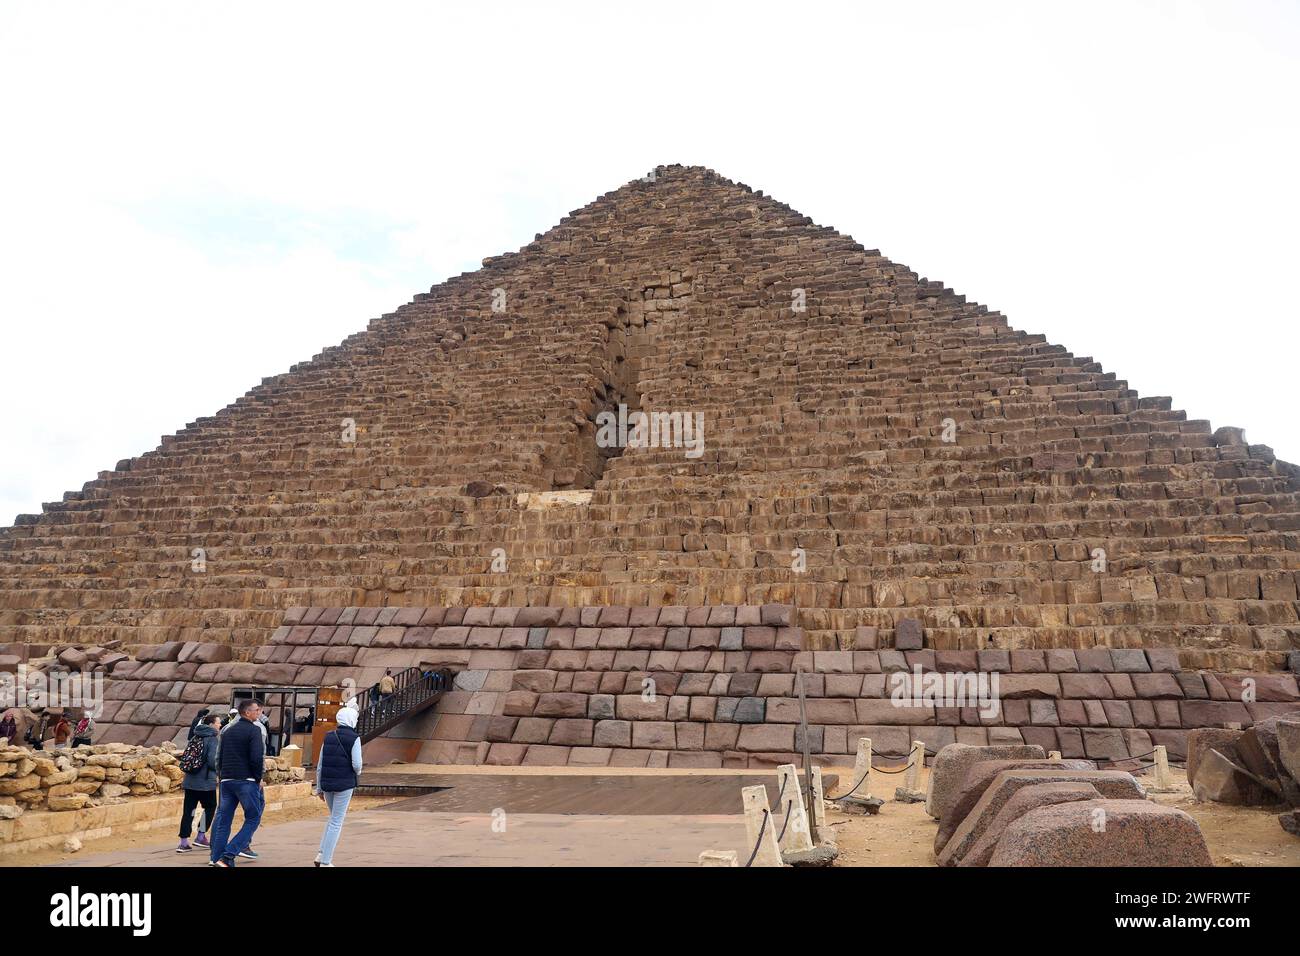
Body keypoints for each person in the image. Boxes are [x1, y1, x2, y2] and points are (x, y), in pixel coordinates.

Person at [208, 698, 265, 868]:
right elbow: (256, 757)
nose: (260, 713)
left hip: (227, 780)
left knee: (224, 820)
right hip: (246, 780)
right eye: (258, 710)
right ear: (247, 712)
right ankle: (229, 855)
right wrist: (258, 778)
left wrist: (221, 775)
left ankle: (216, 858)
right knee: (253, 817)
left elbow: (219, 756)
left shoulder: (227, 731)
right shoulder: (254, 731)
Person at [313, 704, 362, 867]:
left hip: (327, 782)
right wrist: (358, 772)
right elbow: (357, 764)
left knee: (332, 818)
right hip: (344, 783)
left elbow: (320, 764)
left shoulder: (329, 736)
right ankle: (326, 861)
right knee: (336, 821)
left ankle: (321, 854)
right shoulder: (354, 738)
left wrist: (319, 787)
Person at [177, 714, 220, 853]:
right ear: (212, 724)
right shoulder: (212, 739)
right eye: (218, 723)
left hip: (190, 780)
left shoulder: (195, 735)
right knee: (210, 807)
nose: (220, 725)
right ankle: (201, 836)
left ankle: (183, 842)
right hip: (205, 782)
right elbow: (213, 761)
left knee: (189, 810)